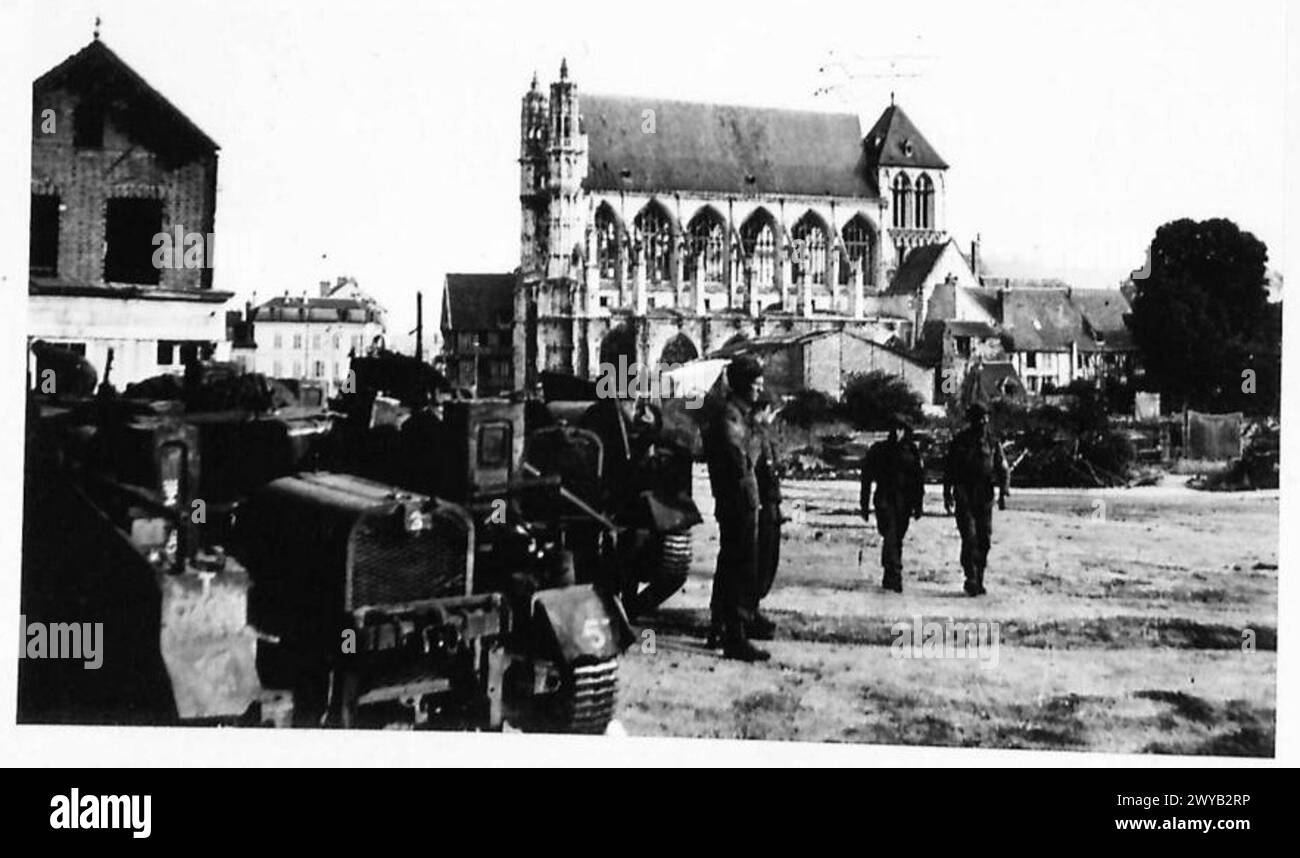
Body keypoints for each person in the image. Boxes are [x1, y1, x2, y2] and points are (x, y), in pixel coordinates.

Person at [702, 355, 769, 662]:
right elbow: (742, 464)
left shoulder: (736, 414)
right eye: (756, 384)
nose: (760, 389)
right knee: (739, 567)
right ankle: (735, 636)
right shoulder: (730, 418)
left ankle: (722, 627)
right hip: (738, 501)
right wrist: (757, 430)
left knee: (731, 563)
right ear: (743, 385)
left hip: (740, 501)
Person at [942, 402, 1010, 596]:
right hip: (964, 493)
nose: (983, 421)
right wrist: (947, 494)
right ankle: (970, 576)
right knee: (969, 537)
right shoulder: (960, 442)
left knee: (984, 539)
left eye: (986, 418)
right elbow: (949, 470)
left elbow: (1002, 467)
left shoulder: (992, 442)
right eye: (980, 418)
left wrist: (1004, 490)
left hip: (985, 495)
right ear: (972, 420)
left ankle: (979, 577)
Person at [859, 413, 925, 592]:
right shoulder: (879, 450)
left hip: (904, 502)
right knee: (890, 534)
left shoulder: (911, 451)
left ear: (905, 431)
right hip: (884, 499)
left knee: (896, 538)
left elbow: (918, 480)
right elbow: (866, 478)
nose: (897, 433)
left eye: (900, 429)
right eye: (894, 429)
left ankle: (890, 574)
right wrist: (863, 504)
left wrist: (918, 505)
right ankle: (895, 573)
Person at [752, 390, 783, 638]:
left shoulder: (762, 435)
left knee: (766, 560)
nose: (772, 418)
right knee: (758, 561)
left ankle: (752, 610)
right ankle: (747, 614)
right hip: (760, 505)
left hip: (769, 503)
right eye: (771, 412)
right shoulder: (753, 436)